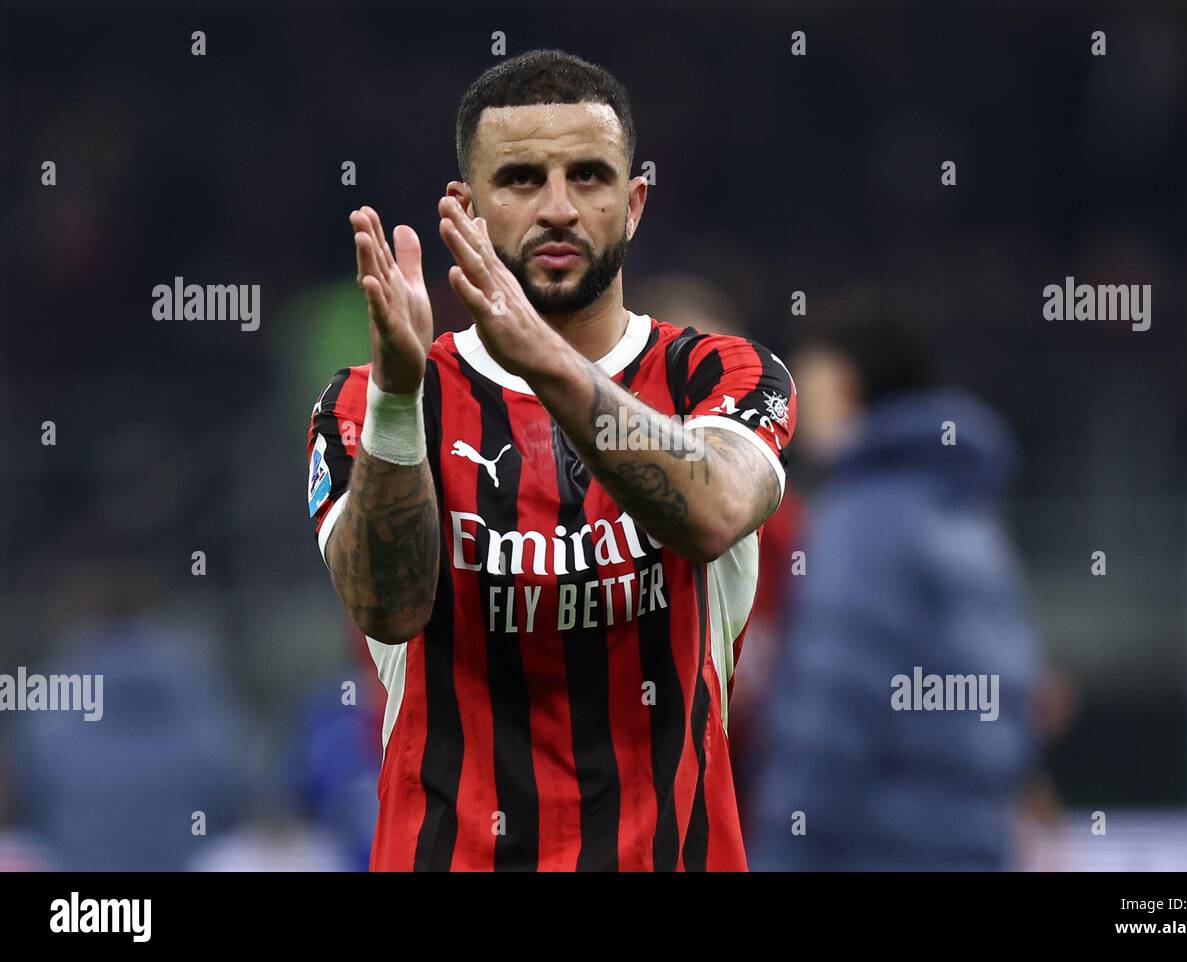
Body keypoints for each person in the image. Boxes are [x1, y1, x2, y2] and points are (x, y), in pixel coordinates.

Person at [305, 49, 796, 871]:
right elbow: (386, 609)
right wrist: (398, 399)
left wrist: (540, 359)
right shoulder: (373, 401)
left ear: (634, 203)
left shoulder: (719, 375)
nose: (560, 208)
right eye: (523, 179)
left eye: (590, 177)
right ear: (465, 208)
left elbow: (710, 511)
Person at [749, 288, 1041, 870]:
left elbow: (833, 706)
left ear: (849, 386)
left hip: (875, 847)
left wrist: (784, 850)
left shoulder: (861, 519)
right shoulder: (966, 511)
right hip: (971, 842)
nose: (795, 413)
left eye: (809, 386)